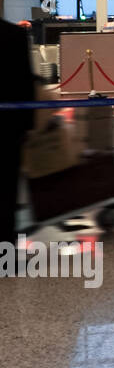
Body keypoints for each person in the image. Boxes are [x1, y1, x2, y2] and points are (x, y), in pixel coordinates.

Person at [0, 17, 34, 246]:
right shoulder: (14, 35)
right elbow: (25, 83)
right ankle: (4, 253)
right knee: (6, 191)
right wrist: (27, 124)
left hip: (10, 126)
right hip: (8, 128)